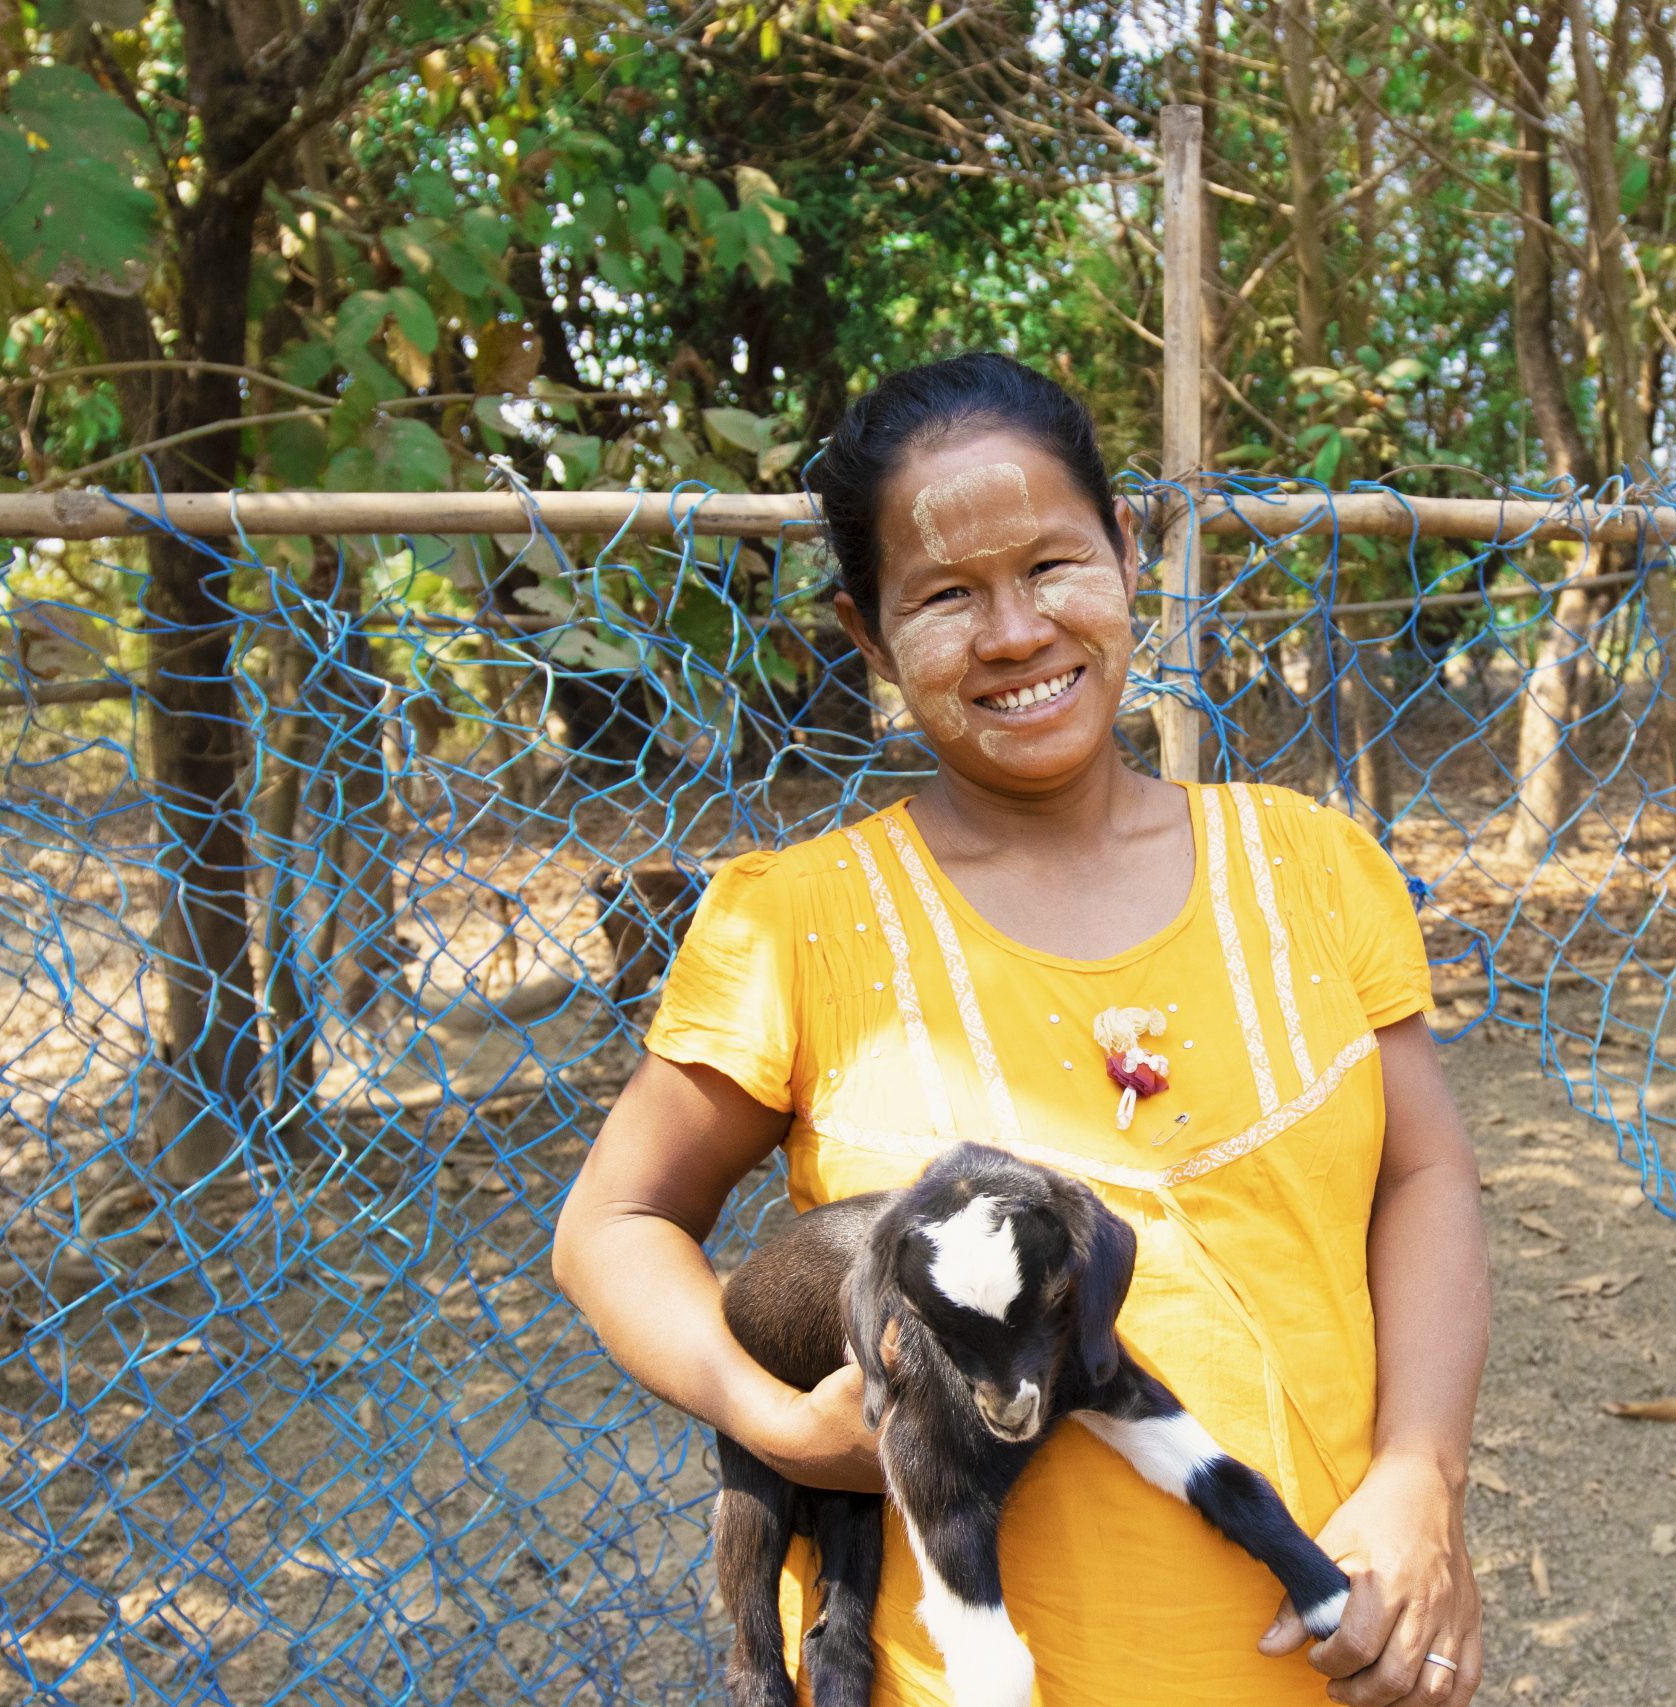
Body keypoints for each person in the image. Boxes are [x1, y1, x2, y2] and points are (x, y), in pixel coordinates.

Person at [552, 353, 1490, 1706]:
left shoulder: (1311, 868)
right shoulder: (800, 923)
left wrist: (1422, 1479)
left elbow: (1426, 1175)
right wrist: (774, 1422)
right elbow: (610, 1227)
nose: (1012, 633)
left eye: (1052, 565)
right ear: (868, 637)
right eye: (943, 596)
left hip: (1342, 1660)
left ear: (1126, 553)